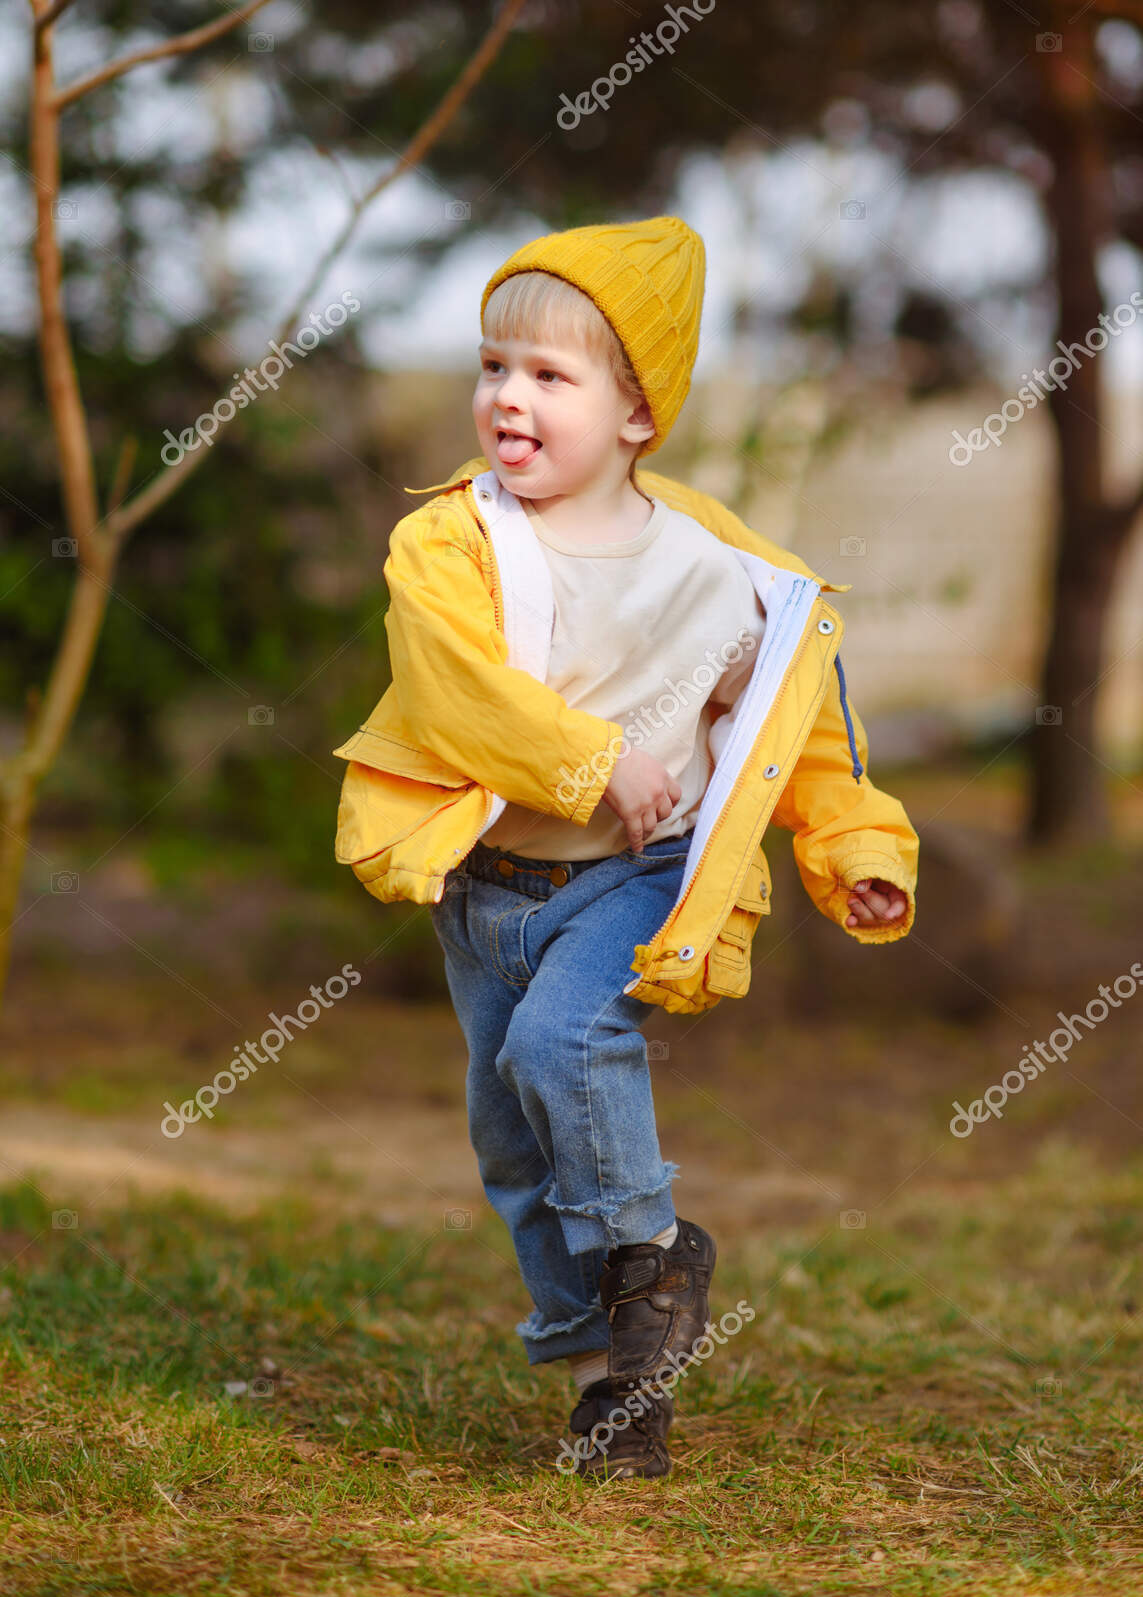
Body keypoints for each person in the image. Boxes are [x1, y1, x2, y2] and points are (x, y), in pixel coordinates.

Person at [332, 215, 919, 1480]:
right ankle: (614, 1383)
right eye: (494, 366)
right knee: (513, 1135)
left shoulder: (726, 571)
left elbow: (807, 732)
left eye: (550, 375)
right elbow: (453, 688)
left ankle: (653, 1254)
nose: (509, 396)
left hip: (636, 878)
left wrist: (856, 847)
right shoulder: (455, 540)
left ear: (638, 413)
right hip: (487, 889)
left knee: (563, 1042)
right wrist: (593, 758)